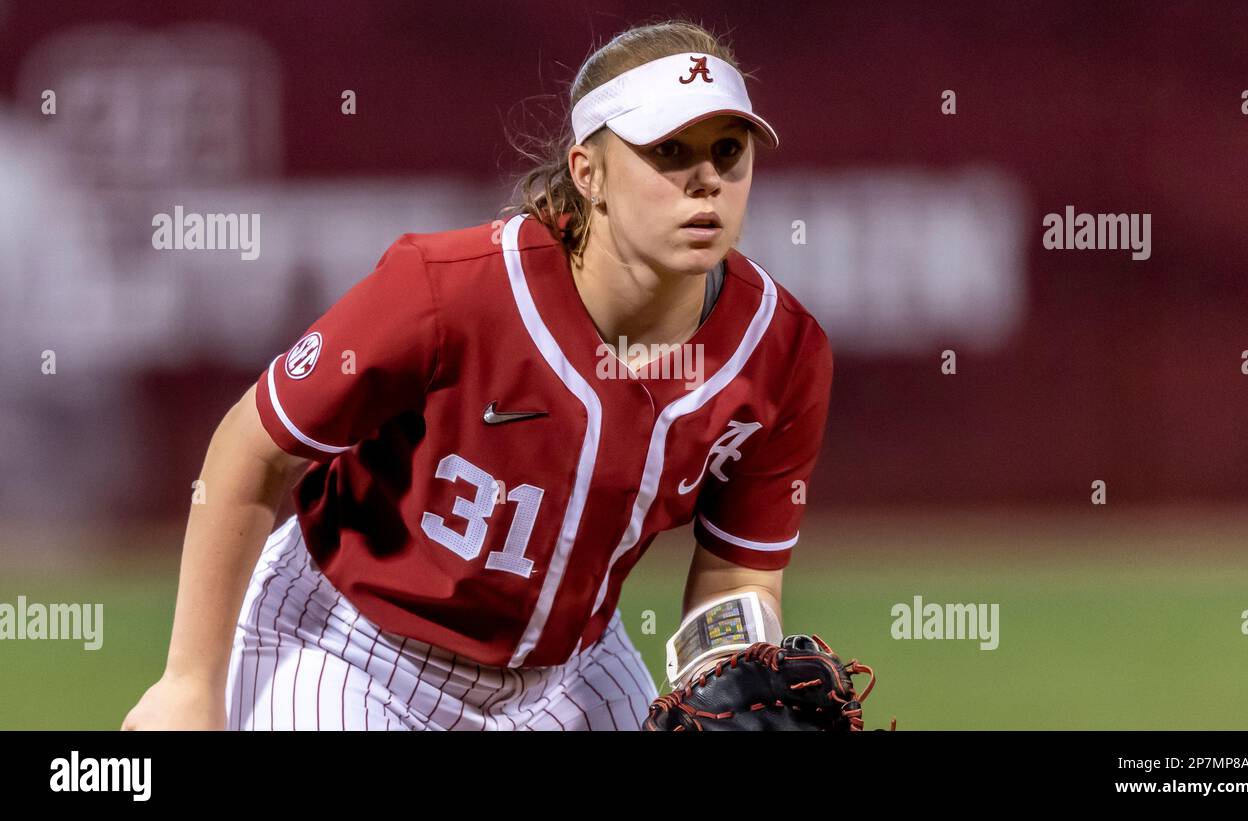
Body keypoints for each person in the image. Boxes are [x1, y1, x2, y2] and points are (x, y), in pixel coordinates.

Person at [121, 18, 833, 731]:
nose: (705, 178)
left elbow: (738, 572)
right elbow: (254, 443)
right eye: (669, 150)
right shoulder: (452, 291)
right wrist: (188, 683)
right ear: (589, 173)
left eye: (727, 150)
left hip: (569, 671)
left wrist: (735, 671)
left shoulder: (783, 350)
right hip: (350, 644)